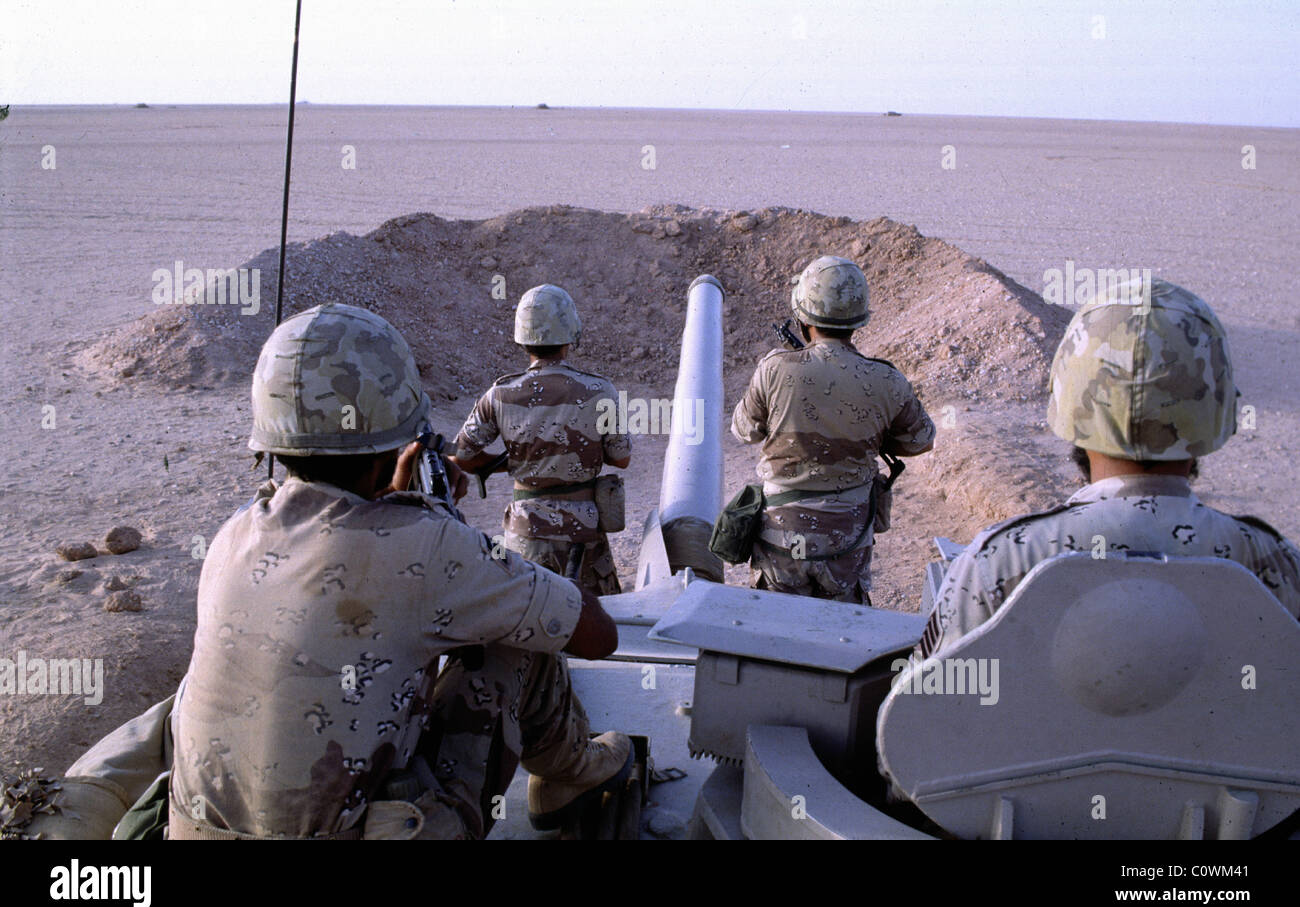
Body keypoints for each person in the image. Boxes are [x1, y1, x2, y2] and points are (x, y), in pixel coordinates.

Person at [160, 303, 632, 839]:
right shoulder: (428, 547)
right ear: (400, 443)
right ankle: (572, 777)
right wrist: (438, 525)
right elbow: (599, 634)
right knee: (518, 634)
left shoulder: (233, 535)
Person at [918, 277, 1300, 659]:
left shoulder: (999, 562)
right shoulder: (1274, 563)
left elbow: (917, 712)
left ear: (1069, 401)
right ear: (1215, 411)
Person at [731, 255, 936, 604]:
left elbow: (744, 431)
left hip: (782, 540)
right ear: (858, 320)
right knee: (842, 639)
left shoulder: (775, 368)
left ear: (803, 317)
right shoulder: (887, 379)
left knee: (773, 635)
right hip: (847, 542)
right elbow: (920, 440)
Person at [453, 284, 630, 595]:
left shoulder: (500, 394)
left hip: (525, 537)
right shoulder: (600, 391)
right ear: (571, 334)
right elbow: (621, 458)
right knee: (594, 624)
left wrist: (513, 463)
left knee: (526, 622)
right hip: (583, 536)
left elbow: (461, 456)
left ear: (522, 339)